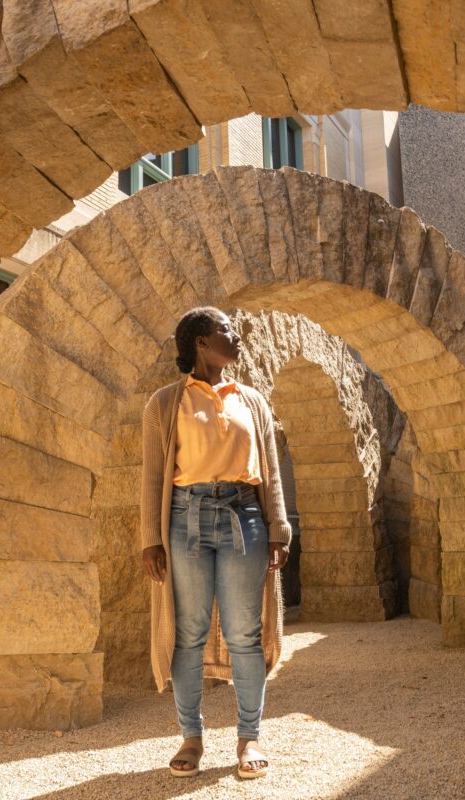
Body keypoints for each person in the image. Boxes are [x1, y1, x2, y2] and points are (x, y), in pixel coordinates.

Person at [139, 306, 292, 780]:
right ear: (201, 342)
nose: (236, 335)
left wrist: (279, 528)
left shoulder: (252, 401)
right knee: (189, 632)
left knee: (245, 632)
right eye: (226, 329)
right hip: (185, 519)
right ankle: (191, 737)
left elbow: (270, 471)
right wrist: (150, 539)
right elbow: (153, 475)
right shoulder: (165, 403)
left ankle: (249, 738)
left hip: (245, 517)